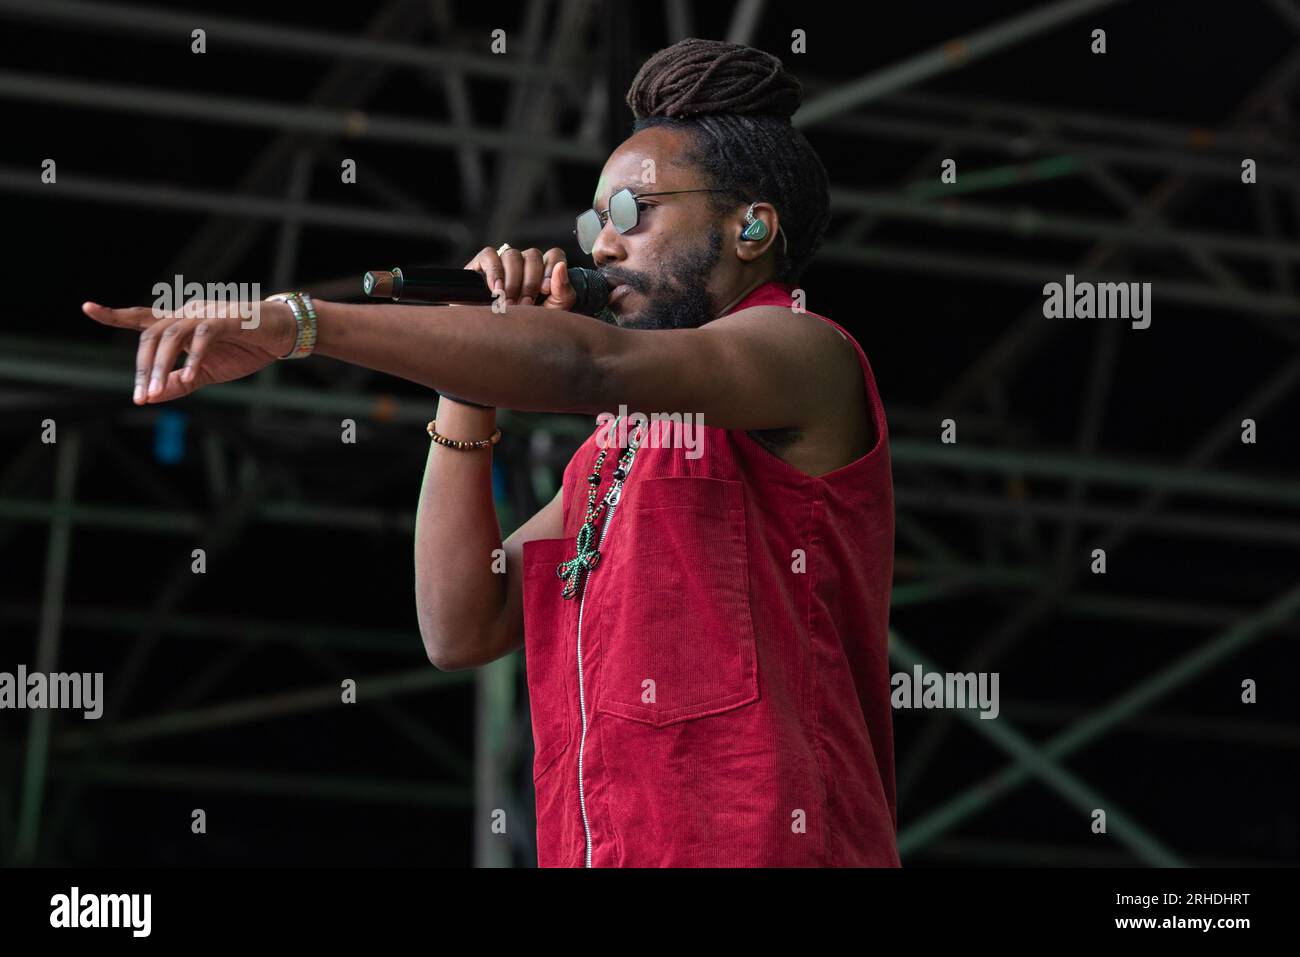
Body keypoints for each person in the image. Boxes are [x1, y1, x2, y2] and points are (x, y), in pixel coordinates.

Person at [83, 37, 899, 868]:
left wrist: (304, 322)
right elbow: (460, 623)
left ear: (751, 225)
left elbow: (589, 364)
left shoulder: (805, 352)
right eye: (591, 223)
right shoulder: (612, 459)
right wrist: (472, 371)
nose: (600, 248)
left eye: (629, 215)